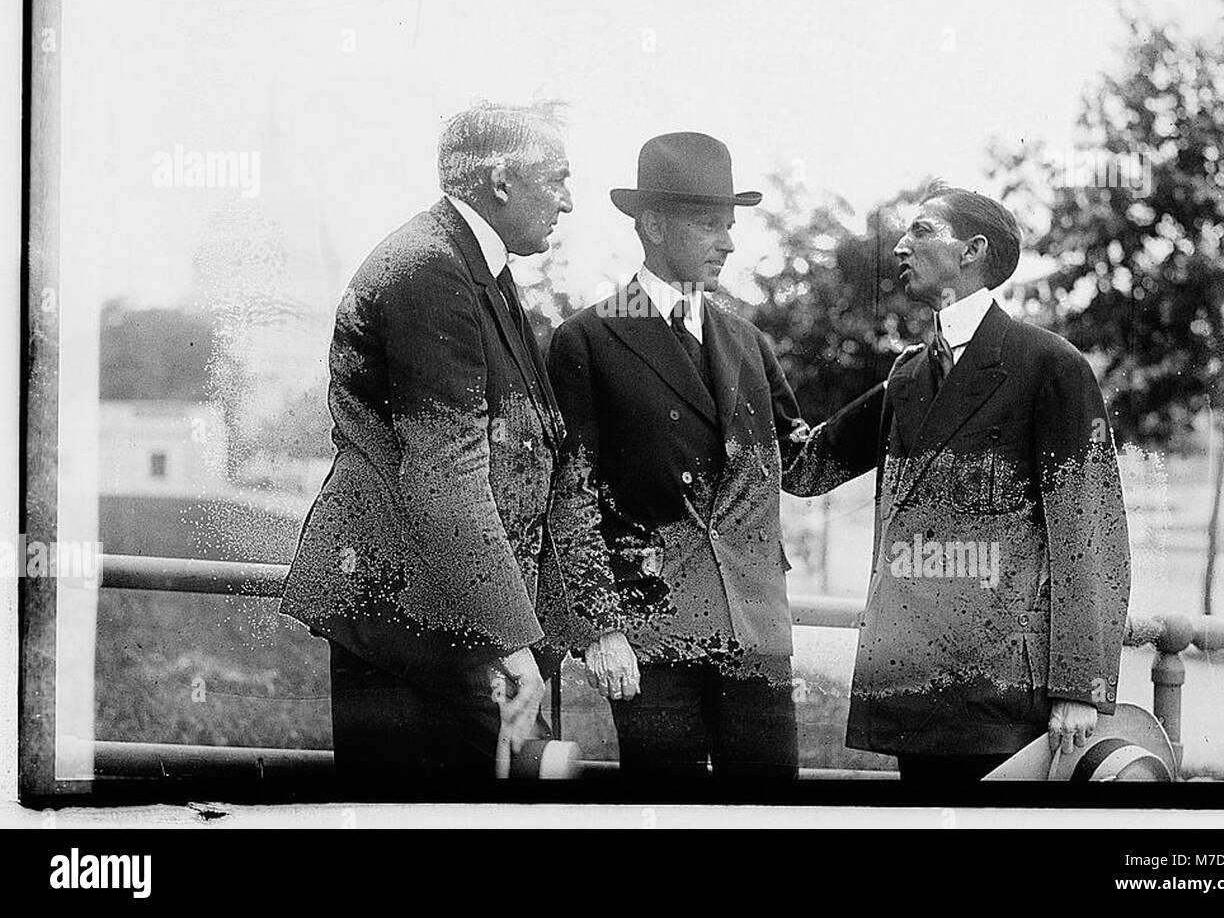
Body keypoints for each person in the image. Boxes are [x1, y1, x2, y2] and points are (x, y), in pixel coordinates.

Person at [545, 131, 876, 783]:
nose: (729, 242)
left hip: (754, 628)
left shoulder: (746, 340)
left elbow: (802, 466)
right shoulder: (587, 339)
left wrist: (899, 400)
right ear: (655, 225)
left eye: (730, 225)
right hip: (652, 628)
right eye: (709, 225)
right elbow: (571, 499)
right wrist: (601, 628)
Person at [280, 100, 577, 796]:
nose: (569, 199)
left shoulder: (474, 269)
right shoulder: (431, 268)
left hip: (440, 620)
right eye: (558, 177)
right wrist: (511, 640)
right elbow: (447, 480)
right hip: (408, 625)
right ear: (500, 179)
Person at [828, 185, 1131, 784]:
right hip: (915, 684)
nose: (901, 246)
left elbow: (1092, 536)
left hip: (1003, 695)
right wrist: (725, 363)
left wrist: (1078, 685)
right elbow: (808, 465)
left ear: (972, 251)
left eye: (921, 231)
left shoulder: (1051, 366)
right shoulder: (908, 373)